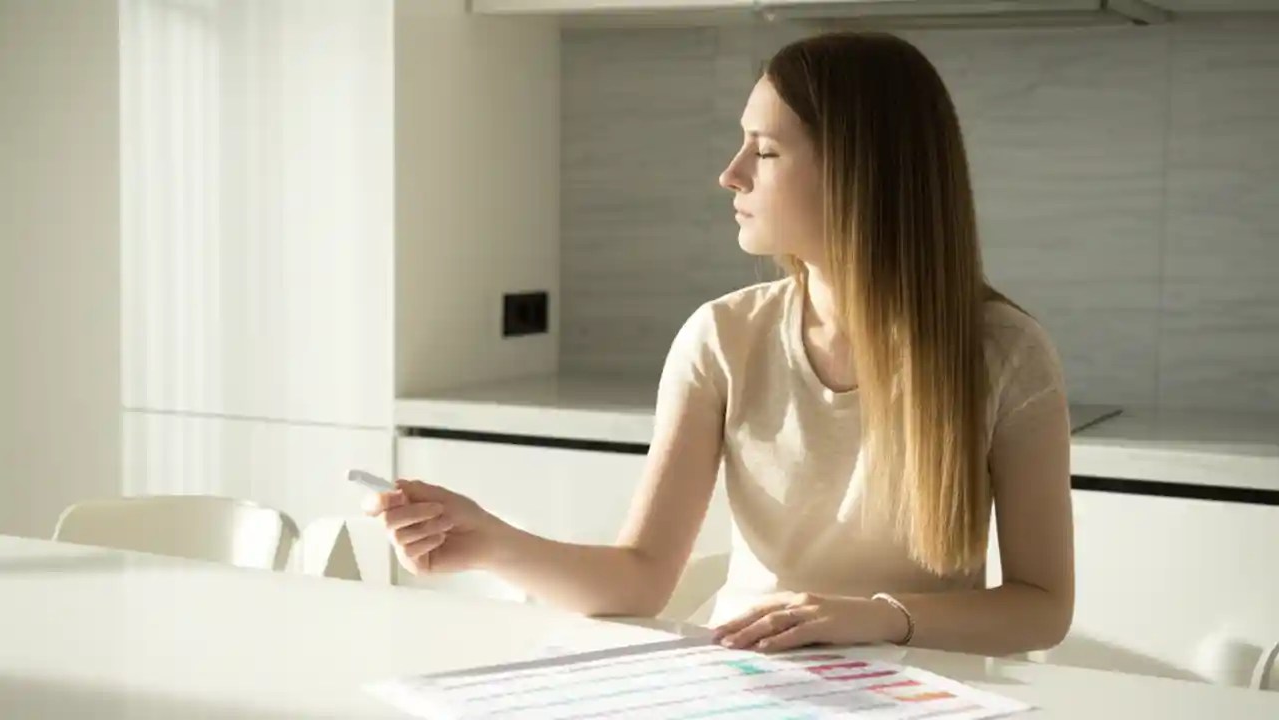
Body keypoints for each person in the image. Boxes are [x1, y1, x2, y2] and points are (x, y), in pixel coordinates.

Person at [367, 31, 1074, 658]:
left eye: (764, 151)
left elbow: (1041, 607)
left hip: (921, 692)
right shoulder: (724, 337)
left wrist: (877, 618)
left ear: (860, 174)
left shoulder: (1006, 353)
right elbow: (640, 577)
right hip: (747, 681)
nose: (731, 173)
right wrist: (490, 541)